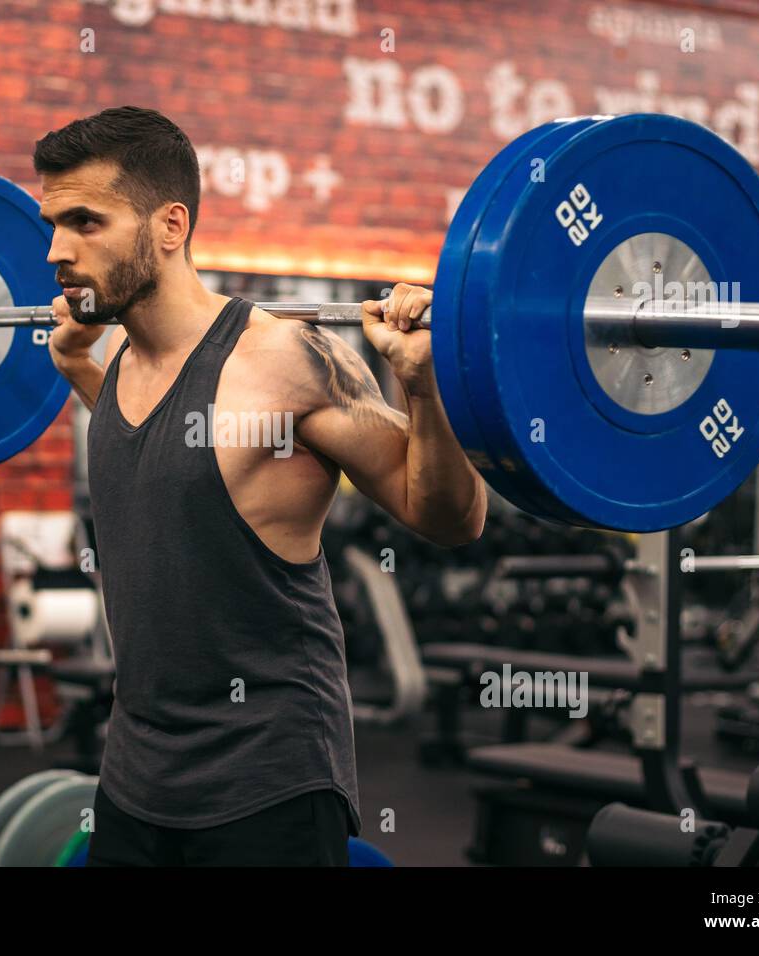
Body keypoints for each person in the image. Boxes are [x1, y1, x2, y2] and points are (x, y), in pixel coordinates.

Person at [33, 105, 486, 866]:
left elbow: (452, 518)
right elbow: (164, 461)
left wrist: (423, 391)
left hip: (266, 781)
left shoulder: (286, 360)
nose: (57, 251)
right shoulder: (114, 368)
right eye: (52, 223)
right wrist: (77, 362)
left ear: (170, 226)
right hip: (133, 778)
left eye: (86, 221)